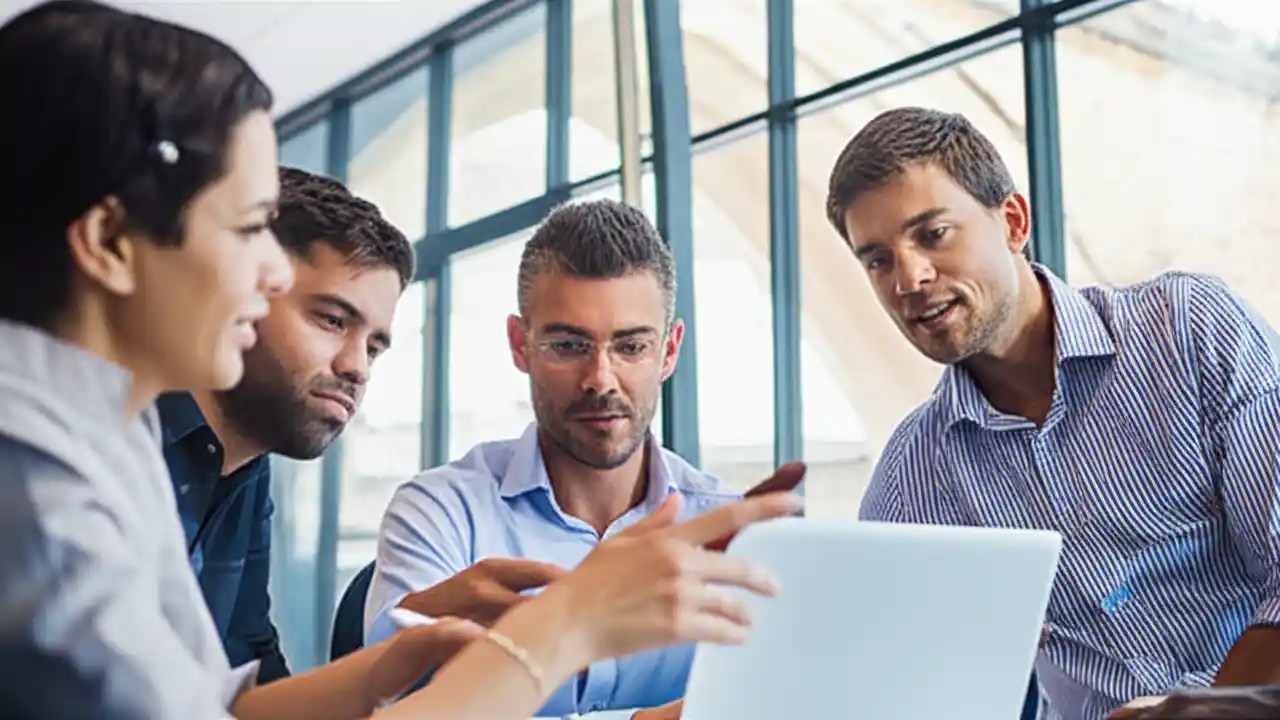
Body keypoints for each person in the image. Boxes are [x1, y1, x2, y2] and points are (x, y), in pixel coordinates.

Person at [0, 2, 802, 719]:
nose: (273, 274)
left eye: (629, 344)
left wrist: (396, 659)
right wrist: (568, 625)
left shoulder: (112, 441)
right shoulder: (32, 483)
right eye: (247, 228)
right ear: (109, 243)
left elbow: (217, 705)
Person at [823, 107, 1280, 720]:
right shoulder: (913, 482)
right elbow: (897, 683)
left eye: (932, 234)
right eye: (878, 259)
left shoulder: (1190, 333)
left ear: (1012, 221)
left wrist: (1202, 713)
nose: (910, 278)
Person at [363, 199, 745, 716]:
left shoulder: (734, 535)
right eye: (568, 345)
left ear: (669, 352)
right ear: (520, 345)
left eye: (631, 347)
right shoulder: (441, 514)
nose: (600, 380)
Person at [158, 165, 413, 682]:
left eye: (374, 347)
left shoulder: (247, 467)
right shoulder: (109, 433)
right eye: (332, 320)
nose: (357, 367)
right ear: (243, 292)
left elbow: (247, 658)